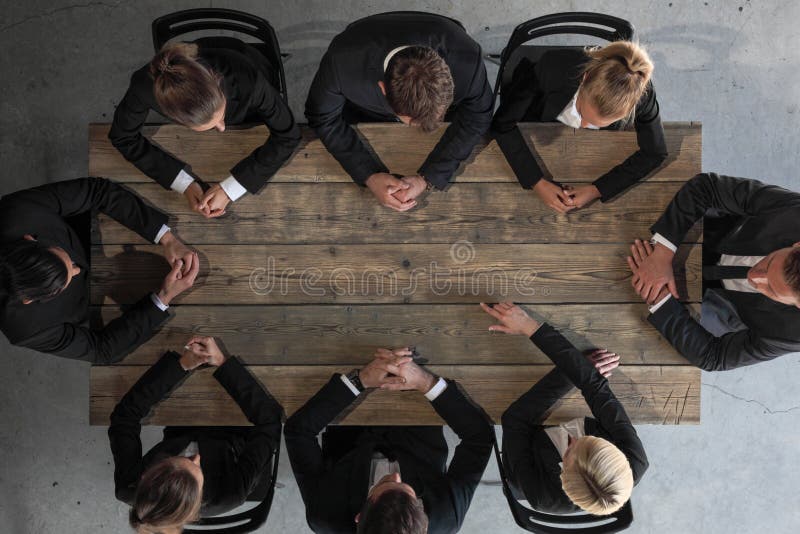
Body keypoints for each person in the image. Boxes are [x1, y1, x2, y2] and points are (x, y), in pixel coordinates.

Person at [284, 348, 494, 533]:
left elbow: (298, 433)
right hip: (417, 415)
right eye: (408, 490)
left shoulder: (325, 515)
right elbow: (479, 438)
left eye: (385, 484)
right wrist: (425, 382)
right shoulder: (446, 515)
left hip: (349, 420)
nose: (396, 475)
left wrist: (359, 380)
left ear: (359, 516)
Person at [305, 12, 494, 212]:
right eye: (412, 122)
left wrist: (428, 178)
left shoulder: (468, 59)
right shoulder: (341, 63)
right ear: (383, 89)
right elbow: (322, 118)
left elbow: (478, 116)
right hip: (363, 102)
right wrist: (369, 175)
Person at [0, 177, 198, 363]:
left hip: (90, 231)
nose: (77, 270)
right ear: (28, 299)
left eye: (67, 260)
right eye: (61, 286)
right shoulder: (25, 328)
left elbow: (97, 190)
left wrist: (167, 238)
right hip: (93, 304)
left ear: (30, 239)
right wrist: (164, 297)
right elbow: (101, 351)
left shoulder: (17, 211)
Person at [480, 302, 647, 515]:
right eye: (590, 441)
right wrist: (529, 326)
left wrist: (571, 373)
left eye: (568, 452)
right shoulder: (634, 461)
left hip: (527, 450)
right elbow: (594, 387)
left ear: (564, 480)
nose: (573, 440)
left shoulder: (541, 494)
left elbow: (515, 418)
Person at [109, 38, 301, 218]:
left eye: (220, 117)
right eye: (211, 126)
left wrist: (231, 188)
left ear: (217, 83)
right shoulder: (143, 88)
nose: (222, 128)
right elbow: (123, 137)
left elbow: (289, 135)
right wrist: (183, 183)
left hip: (247, 65)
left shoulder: (248, 78)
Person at [109, 335, 283, 533]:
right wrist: (223, 364)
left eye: (184, 458)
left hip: (181, 421)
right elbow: (270, 424)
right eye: (196, 466)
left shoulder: (130, 486)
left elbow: (124, 417)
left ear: (146, 475)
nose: (197, 457)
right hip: (235, 426)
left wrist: (181, 365)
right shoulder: (230, 493)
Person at [627, 173, 800, 371]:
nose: (753, 277)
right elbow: (707, 187)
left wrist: (660, 299)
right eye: (768, 264)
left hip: (729, 307)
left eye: (771, 289)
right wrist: (663, 251)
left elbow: (715, 357)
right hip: (720, 235)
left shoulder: (793, 332)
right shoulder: (794, 214)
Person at [491, 40, 667, 213]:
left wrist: (597, 190)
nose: (582, 126)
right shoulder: (552, 68)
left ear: (628, 112)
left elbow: (655, 153)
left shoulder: (642, 97)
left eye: (595, 124)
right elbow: (502, 124)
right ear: (585, 78)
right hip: (538, 116)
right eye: (581, 112)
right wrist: (536, 181)